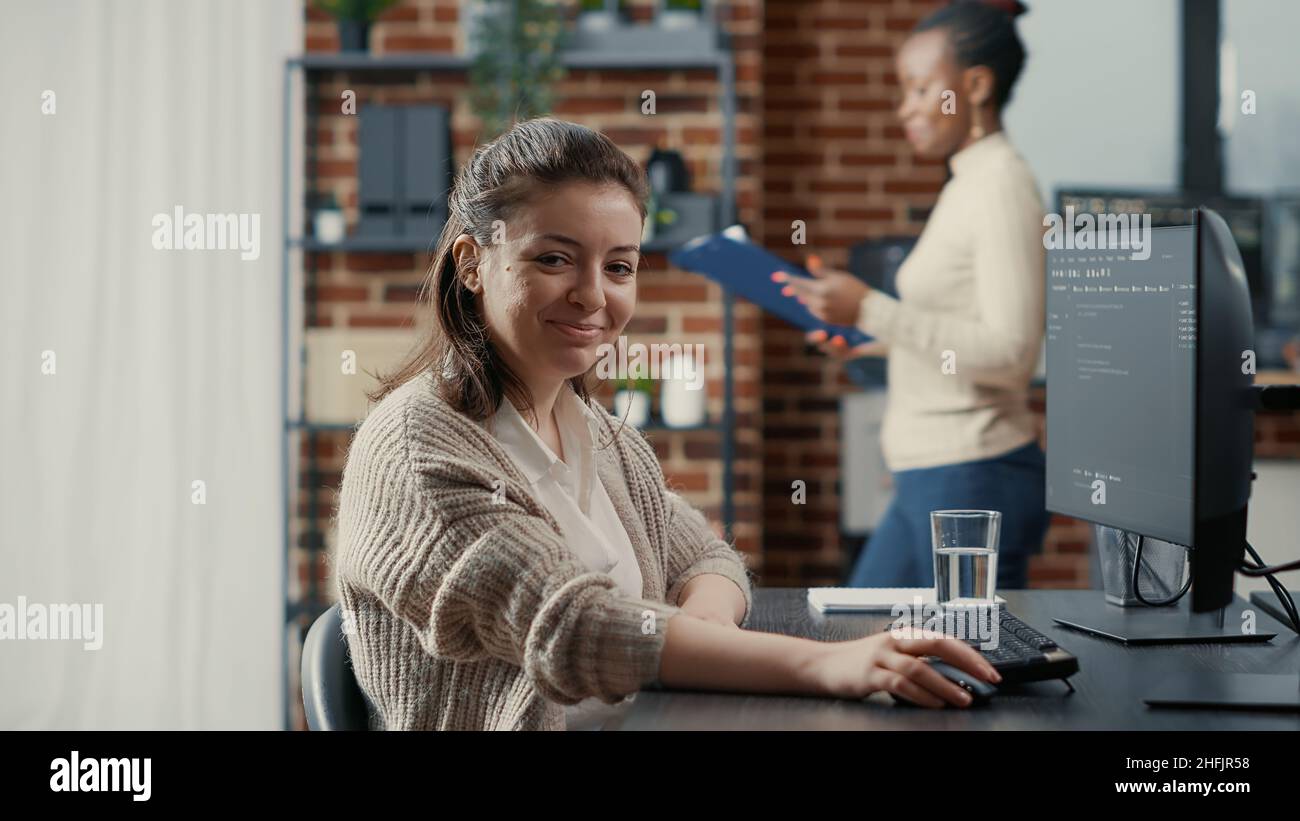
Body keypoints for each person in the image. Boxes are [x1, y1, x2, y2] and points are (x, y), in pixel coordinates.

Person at [334, 117, 998, 730]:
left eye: (618, 266)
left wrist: (704, 632)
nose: (594, 294)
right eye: (554, 258)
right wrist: (823, 662)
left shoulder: (597, 431)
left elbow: (707, 557)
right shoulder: (415, 447)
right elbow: (571, 623)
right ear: (472, 263)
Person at [774, 0, 1049, 590]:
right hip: (931, 474)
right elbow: (954, 330)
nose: (905, 110)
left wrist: (870, 307)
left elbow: (1012, 354)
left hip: (972, 477)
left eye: (921, 90)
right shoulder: (968, 181)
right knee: (857, 642)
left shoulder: (1001, 185)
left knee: (974, 671)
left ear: (975, 85)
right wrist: (867, 340)